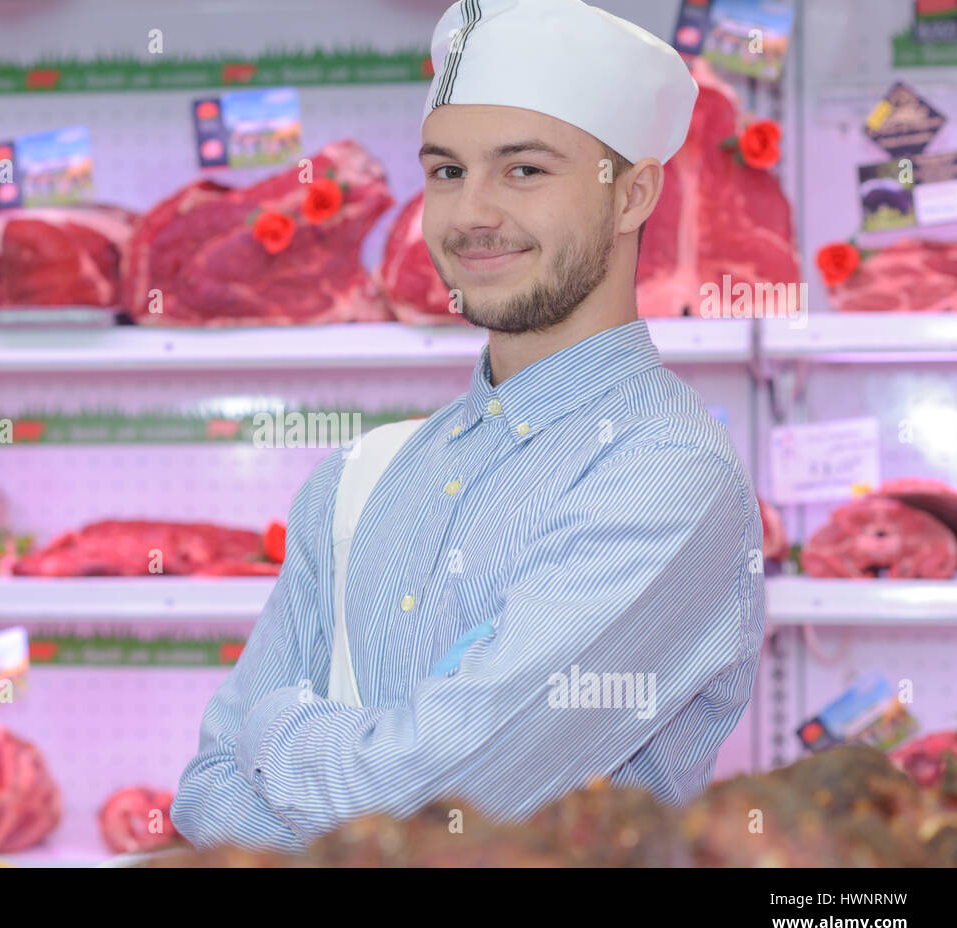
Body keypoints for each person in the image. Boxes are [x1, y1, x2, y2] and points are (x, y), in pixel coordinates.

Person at [172, 0, 764, 852]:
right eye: (447, 171)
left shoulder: (667, 474)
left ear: (632, 192)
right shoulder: (358, 477)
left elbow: (435, 806)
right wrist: (357, 775)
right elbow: (205, 797)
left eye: (523, 170)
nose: (470, 214)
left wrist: (275, 732)